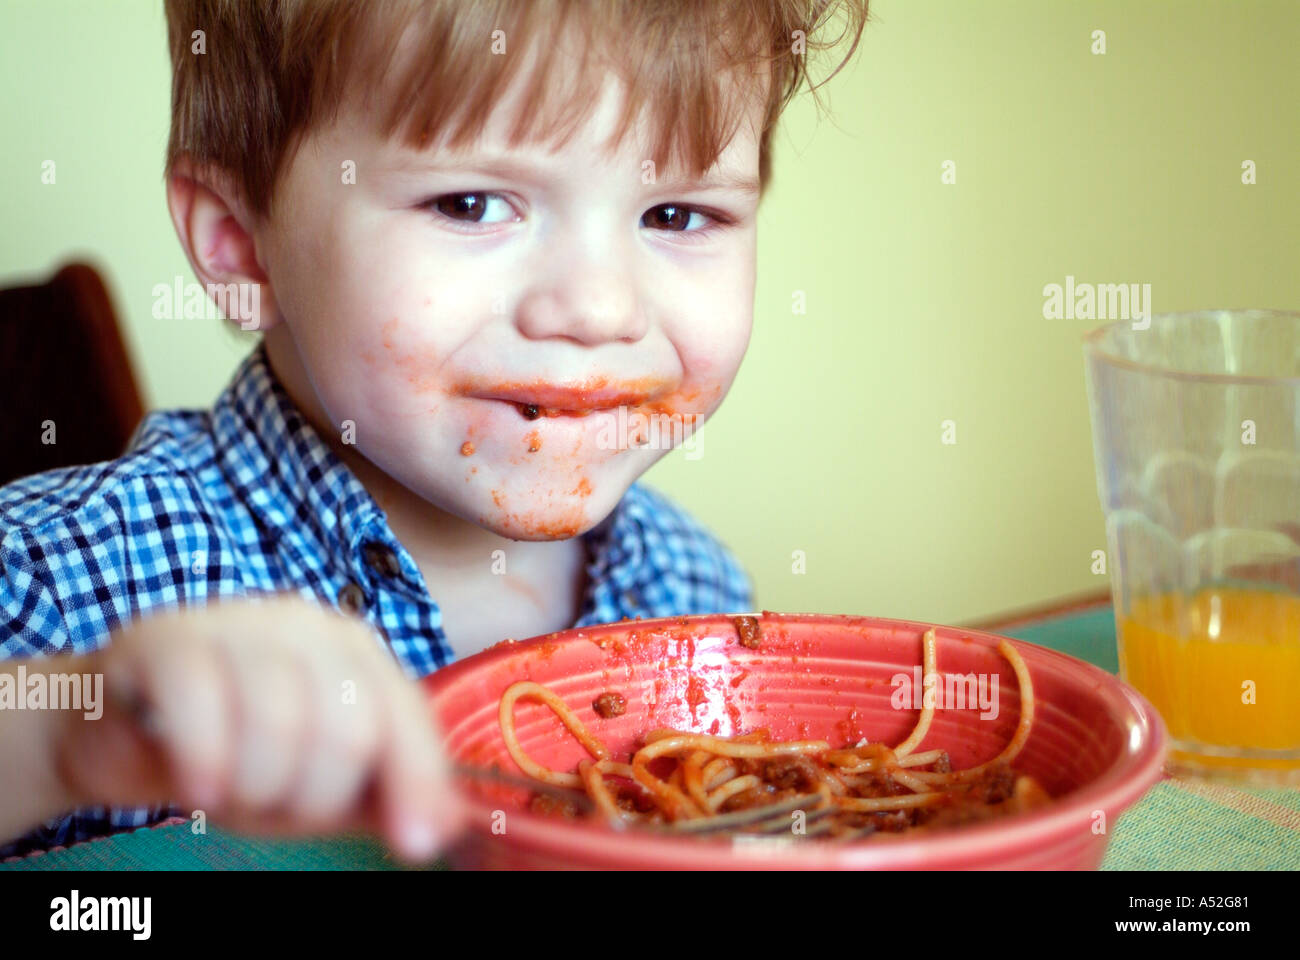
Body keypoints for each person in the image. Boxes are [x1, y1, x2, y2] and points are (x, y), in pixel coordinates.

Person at [0, 0, 870, 863]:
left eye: (676, 216)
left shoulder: (701, 595)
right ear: (240, 244)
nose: (602, 309)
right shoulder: (52, 581)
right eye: (471, 203)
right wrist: (61, 737)